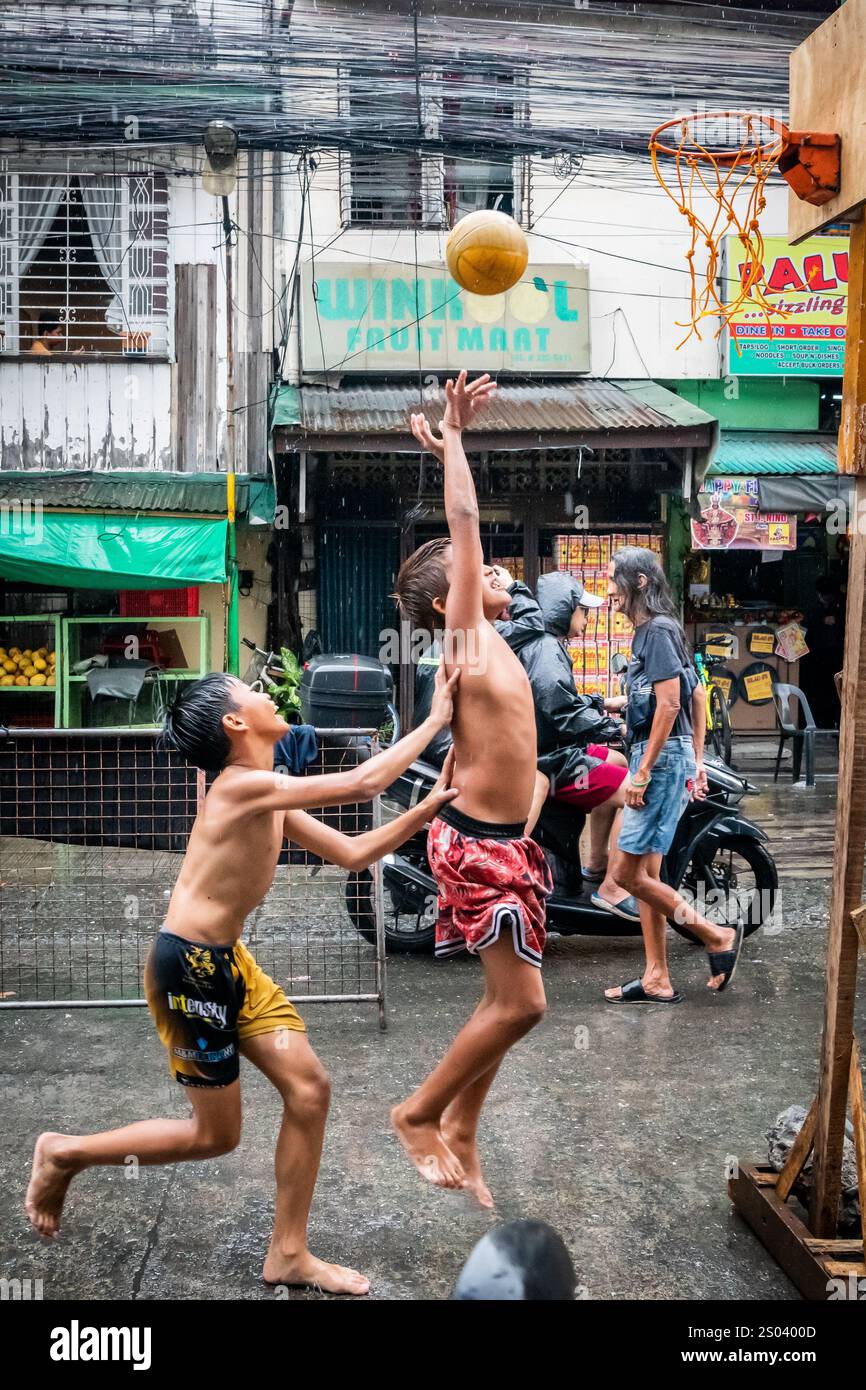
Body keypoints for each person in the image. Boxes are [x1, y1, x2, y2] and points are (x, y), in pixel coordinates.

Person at [25, 665, 460, 1296]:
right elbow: (365, 780)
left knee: (309, 1090)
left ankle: (288, 1253)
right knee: (214, 1136)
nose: (267, 693)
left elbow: (355, 852)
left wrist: (426, 809)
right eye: (251, 691)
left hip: (231, 966)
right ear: (236, 722)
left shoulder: (268, 792)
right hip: (188, 973)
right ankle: (65, 1153)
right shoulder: (238, 788)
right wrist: (437, 718)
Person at [390, 370, 552, 1209]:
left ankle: (464, 1129)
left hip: (499, 840)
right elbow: (461, 518)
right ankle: (421, 1114)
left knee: (506, 1000)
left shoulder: (489, 639)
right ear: (446, 594)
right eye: (469, 568)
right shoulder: (464, 634)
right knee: (523, 1005)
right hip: (480, 845)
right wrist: (456, 439)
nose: (486, 568)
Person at [417, 570, 636, 919]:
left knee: (618, 763)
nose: (586, 620)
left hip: (543, 746)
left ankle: (594, 866)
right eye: (582, 611)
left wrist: (600, 706)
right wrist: (615, 728)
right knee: (639, 794)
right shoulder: (542, 645)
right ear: (564, 610)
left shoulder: (525, 641)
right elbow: (561, 712)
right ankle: (613, 888)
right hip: (548, 756)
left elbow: (557, 700)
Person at [603, 546, 745, 1004]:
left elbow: (670, 704)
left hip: (658, 760)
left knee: (624, 873)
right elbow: (697, 695)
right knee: (647, 871)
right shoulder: (657, 632)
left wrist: (642, 772)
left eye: (614, 581)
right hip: (667, 754)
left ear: (639, 582)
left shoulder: (658, 631)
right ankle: (656, 977)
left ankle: (715, 934)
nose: (609, 592)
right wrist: (696, 759)